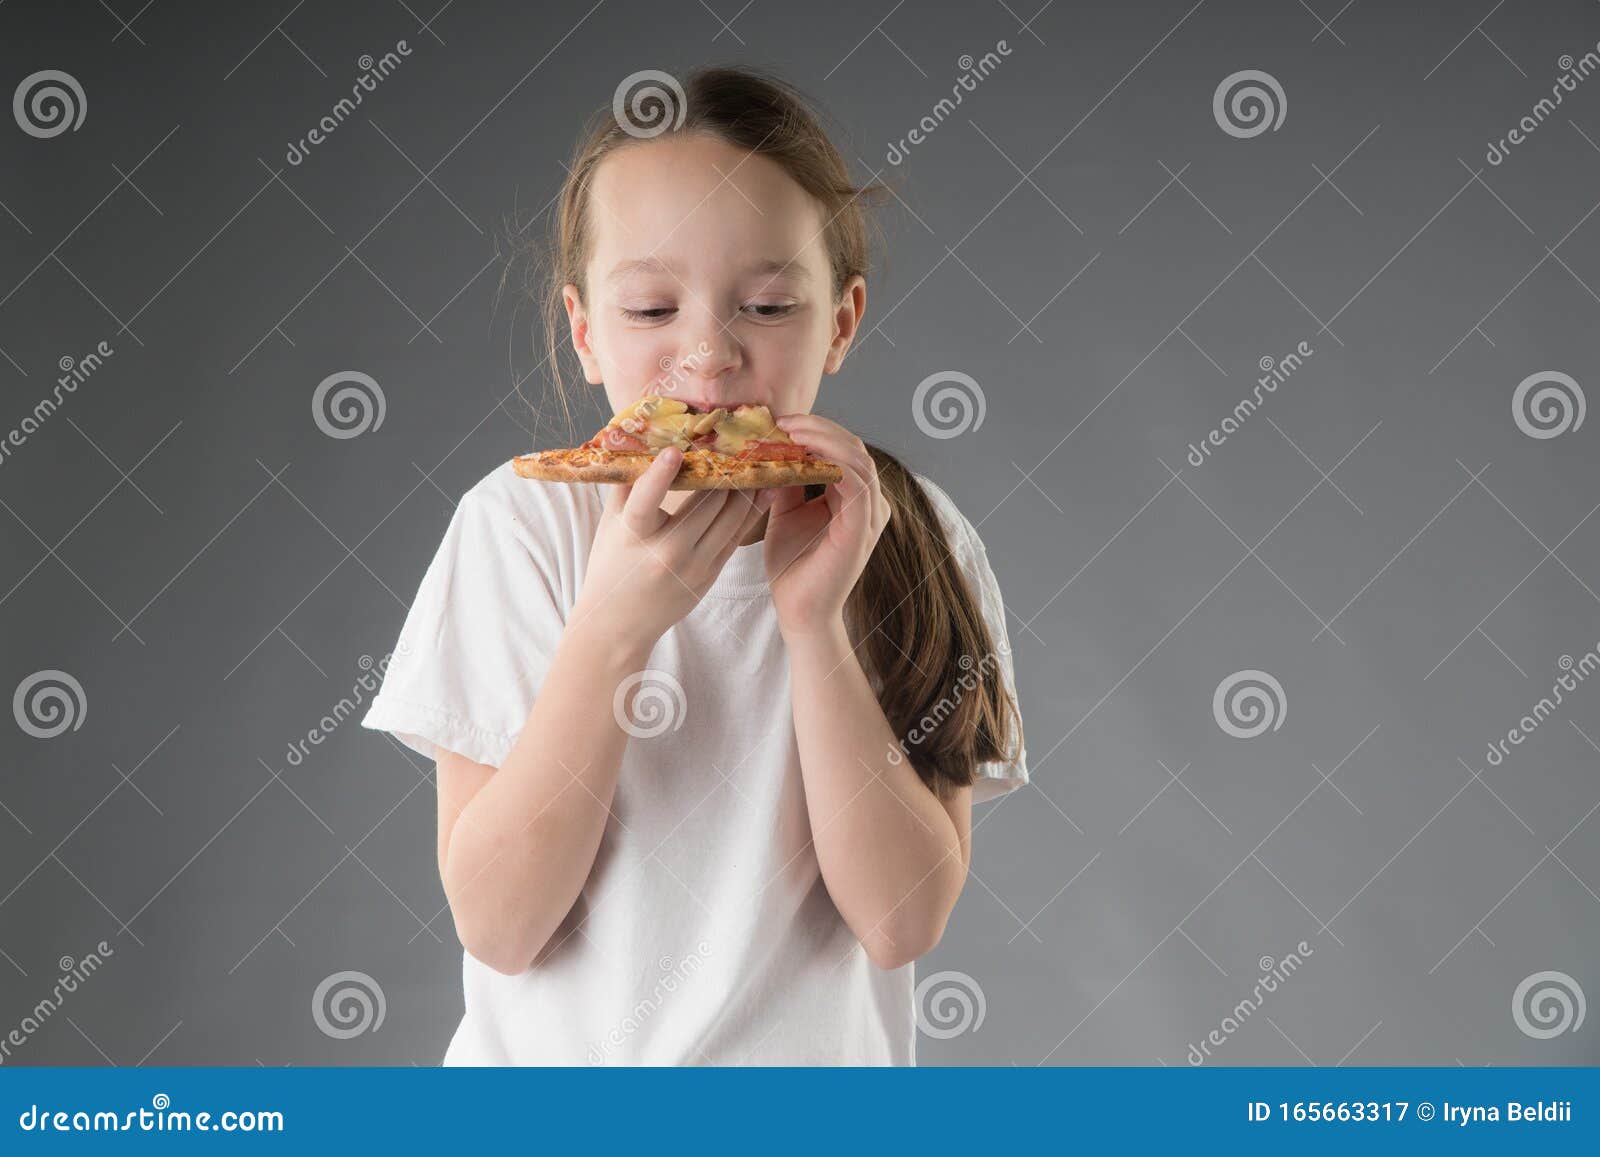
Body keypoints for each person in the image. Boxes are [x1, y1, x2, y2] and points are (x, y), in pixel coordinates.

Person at [362, 65, 1027, 1065]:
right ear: (584, 333)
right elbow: (500, 924)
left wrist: (814, 623)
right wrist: (612, 630)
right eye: (650, 310)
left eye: (764, 305)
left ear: (839, 323)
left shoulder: (915, 532)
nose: (708, 356)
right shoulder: (519, 525)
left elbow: (899, 921)